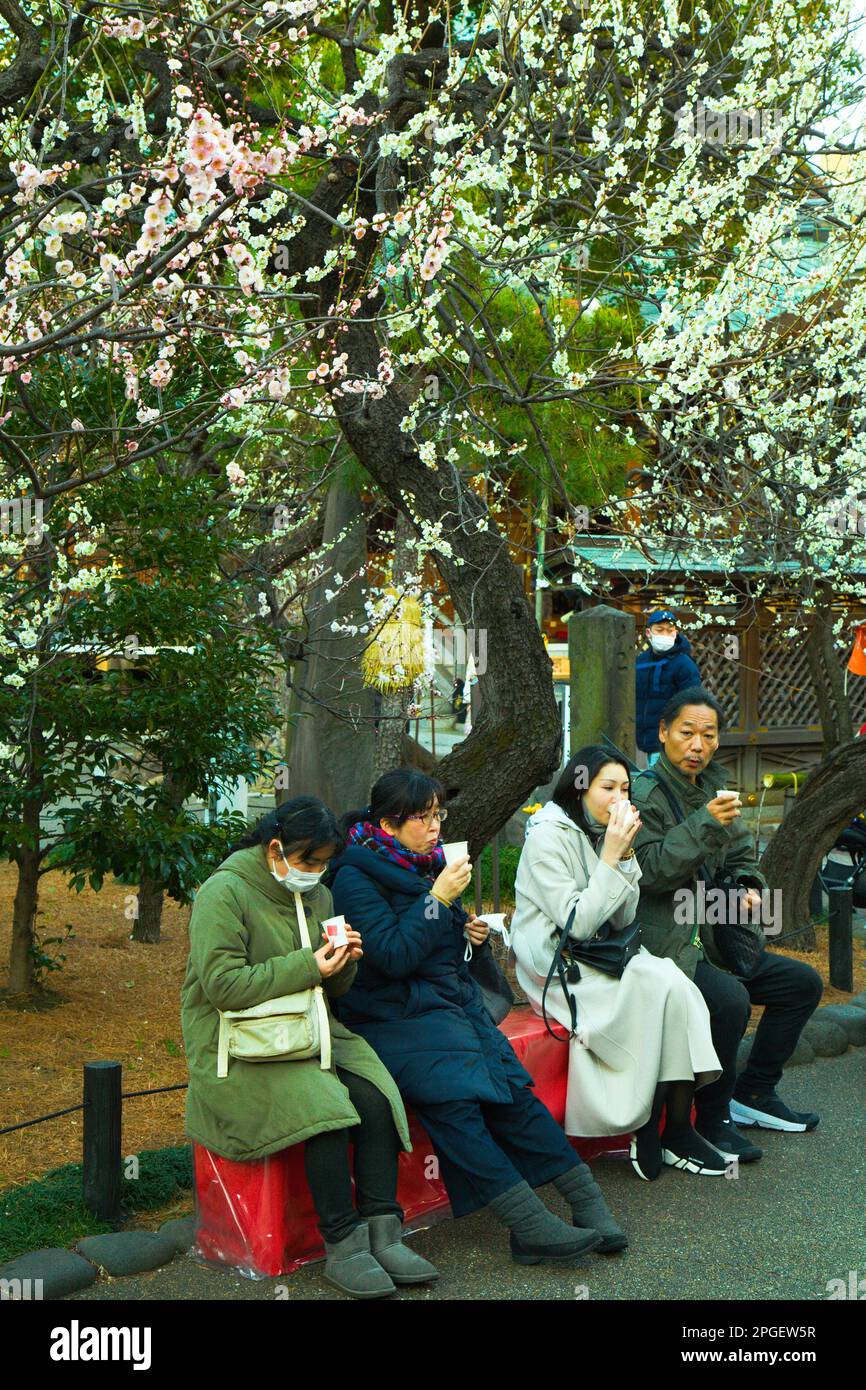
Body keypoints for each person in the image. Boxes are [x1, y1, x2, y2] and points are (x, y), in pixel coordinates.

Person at [327, 767, 628, 1264]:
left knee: (514, 1096)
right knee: (457, 1103)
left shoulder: (423, 864)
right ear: (387, 826)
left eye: (437, 814)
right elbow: (394, 956)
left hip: (446, 1010)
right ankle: (529, 1227)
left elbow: (431, 948)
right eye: (421, 818)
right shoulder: (354, 879)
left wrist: (465, 934)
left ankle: (586, 1201)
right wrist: (438, 899)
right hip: (390, 1021)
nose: (434, 826)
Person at [181, 796, 439, 1299]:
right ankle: (344, 1245)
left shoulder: (316, 895)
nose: (316, 874)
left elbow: (331, 990)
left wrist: (343, 964)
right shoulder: (224, 892)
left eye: (324, 864)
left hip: (309, 1029)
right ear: (275, 849)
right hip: (240, 1044)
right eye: (308, 862)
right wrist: (307, 965)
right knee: (324, 1110)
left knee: (374, 1097)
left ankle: (383, 1233)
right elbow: (222, 986)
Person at [511, 747, 726, 1180]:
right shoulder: (547, 836)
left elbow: (624, 917)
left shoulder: (601, 830)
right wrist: (611, 856)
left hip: (603, 953)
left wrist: (625, 857)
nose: (620, 797)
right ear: (580, 788)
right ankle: (645, 1123)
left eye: (625, 788)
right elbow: (578, 923)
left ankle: (677, 1128)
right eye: (607, 787)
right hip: (559, 965)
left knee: (677, 985)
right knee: (656, 989)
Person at [630, 687, 823, 1162]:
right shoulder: (643, 794)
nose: (697, 745)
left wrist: (746, 883)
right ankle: (710, 1116)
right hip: (667, 939)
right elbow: (649, 871)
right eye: (687, 733)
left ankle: (754, 1092)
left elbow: (742, 855)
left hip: (714, 931)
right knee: (730, 1001)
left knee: (800, 983)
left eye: (708, 735)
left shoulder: (717, 788)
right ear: (663, 734)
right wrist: (704, 824)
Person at [636, 609, 702, 768]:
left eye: (669, 630)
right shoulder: (641, 662)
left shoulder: (684, 665)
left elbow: (692, 704)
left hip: (672, 742)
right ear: (648, 632)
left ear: (675, 633)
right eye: (659, 630)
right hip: (642, 739)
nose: (665, 634)